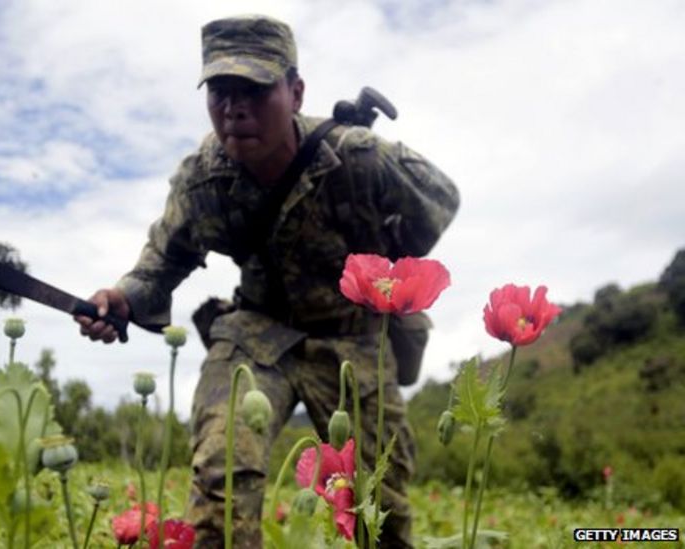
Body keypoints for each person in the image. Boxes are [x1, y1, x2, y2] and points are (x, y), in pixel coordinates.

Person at [75, 14, 459, 548]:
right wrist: (123, 298)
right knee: (221, 471)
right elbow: (162, 261)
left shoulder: (359, 158)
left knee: (380, 505)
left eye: (255, 91)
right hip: (257, 333)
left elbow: (439, 201)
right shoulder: (203, 179)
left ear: (295, 93)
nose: (235, 109)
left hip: (353, 336)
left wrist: (384, 259)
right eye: (221, 92)